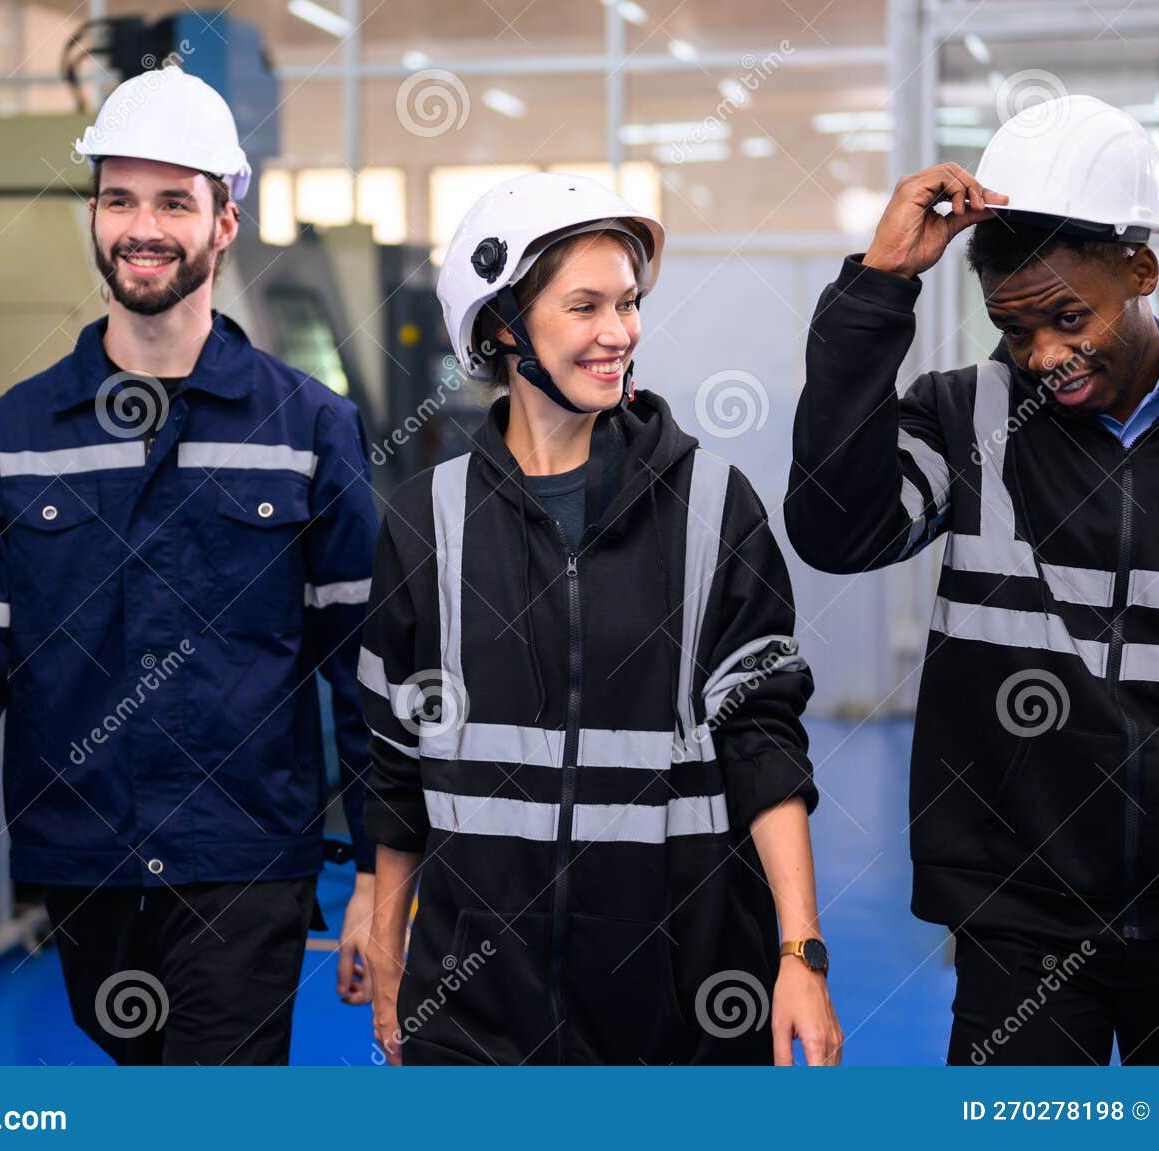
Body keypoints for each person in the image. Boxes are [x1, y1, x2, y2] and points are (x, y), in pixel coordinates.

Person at [785, 93, 1159, 1065]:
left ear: (1141, 268)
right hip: (1015, 923)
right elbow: (833, 528)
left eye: (1069, 317)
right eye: (1015, 330)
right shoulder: (966, 417)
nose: (1043, 357)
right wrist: (879, 286)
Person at [0, 65, 378, 1064]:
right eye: (118, 198)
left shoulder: (307, 429)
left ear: (223, 221)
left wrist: (380, 867)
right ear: (95, 215)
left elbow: (366, 662)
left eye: (172, 200)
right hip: (86, 863)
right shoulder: (12, 440)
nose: (140, 226)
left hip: (243, 861)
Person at [360, 172, 841, 1065]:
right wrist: (387, 934)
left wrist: (799, 952)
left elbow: (763, 742)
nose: (619, 333)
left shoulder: (714, 507)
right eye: (586, 306)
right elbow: (395, 756)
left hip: (683, 1016)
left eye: (627, 303)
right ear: (504, 327)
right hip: (478, 1021)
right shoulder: (426, 518)